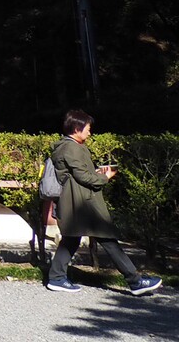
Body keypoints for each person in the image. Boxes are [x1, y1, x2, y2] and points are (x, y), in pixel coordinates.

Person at [46, 108, 162, 295]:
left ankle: (56, 277)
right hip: (83, 203)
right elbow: (83, 177)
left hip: (76, 201)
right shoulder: (71, 148)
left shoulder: (67, 146)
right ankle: (135, 281)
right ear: (76, 128)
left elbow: (78, 174)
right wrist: (104, 177)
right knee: (107, 238)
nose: (90, 132)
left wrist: (97, 174)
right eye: (87, 128)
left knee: (72, 238)